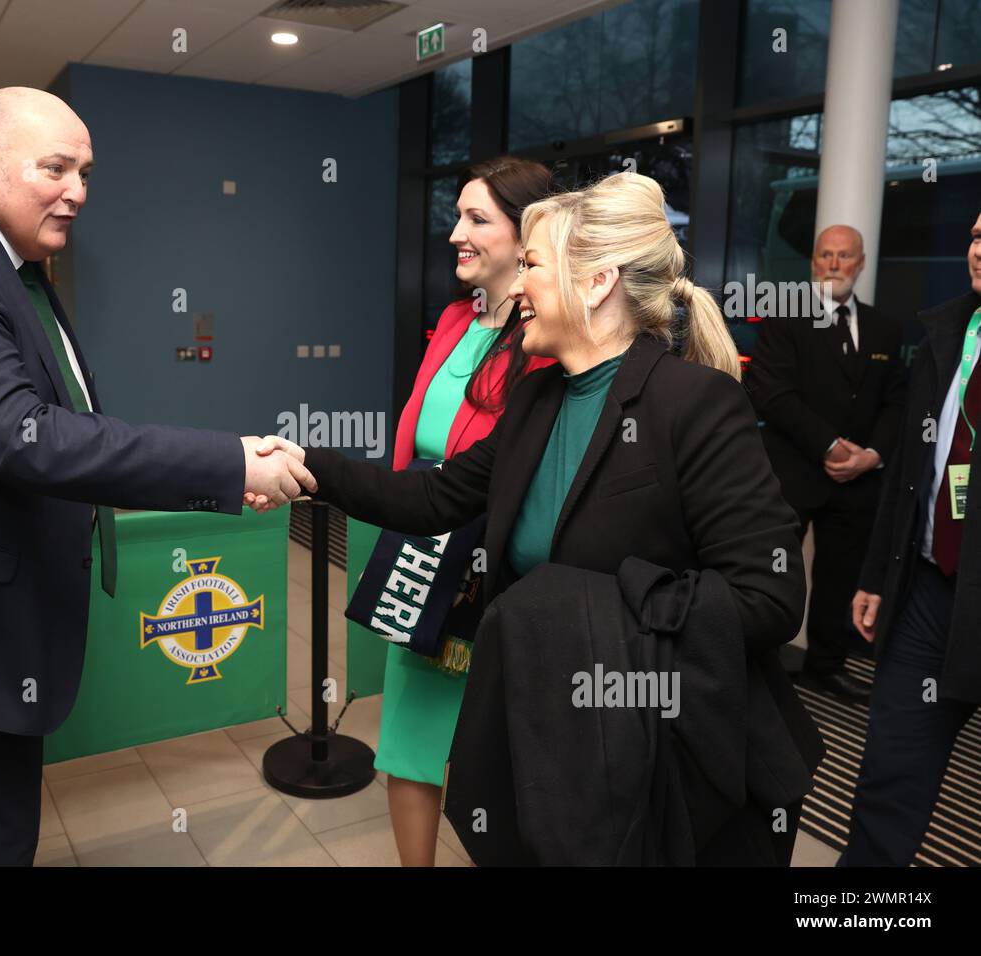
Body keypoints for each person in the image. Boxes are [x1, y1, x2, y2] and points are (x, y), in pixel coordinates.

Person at [253, 172, 824, 864]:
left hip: (669, 756)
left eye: (531, 265)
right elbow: (435, 500)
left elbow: (768, 598)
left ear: (596, 282)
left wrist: (570, 607)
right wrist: (304, 466)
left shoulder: (693, 404)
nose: (516, 287)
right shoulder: (539, 398)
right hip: (563, 742)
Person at [0, 87, 314, 866]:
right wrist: (227, 462)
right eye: (56, 167)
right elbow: (24, 436)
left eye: (85, 172)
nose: (78, 191)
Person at [367, 156, 554, 867]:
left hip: (500, 571)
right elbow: (416, 436)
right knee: (412, 740)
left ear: (526, 234)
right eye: (457, 216)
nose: (456, 234)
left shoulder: (549, 340)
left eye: (477, 219)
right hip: (423, 556)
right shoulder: (452, 319)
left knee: (499, 749)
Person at [842, 211, 981, 866]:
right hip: (929, 596)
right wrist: (876, 575)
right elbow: (908, 473)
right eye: (978, 237)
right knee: (888, 784)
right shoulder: (946, 335)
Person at [748, 225, 905, 704]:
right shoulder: (783, 316)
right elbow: (771, 392)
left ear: (861, 264)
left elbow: (896, 403)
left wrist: (871, 455)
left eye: (844, 256)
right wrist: (830, 446)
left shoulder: (885, 328)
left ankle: (826, 668)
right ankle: (758, 668)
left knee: (840, 577)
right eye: (825, 256)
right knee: (774, 572)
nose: (834, 264)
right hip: (793, 474)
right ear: (814, 263)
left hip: (857, 481)